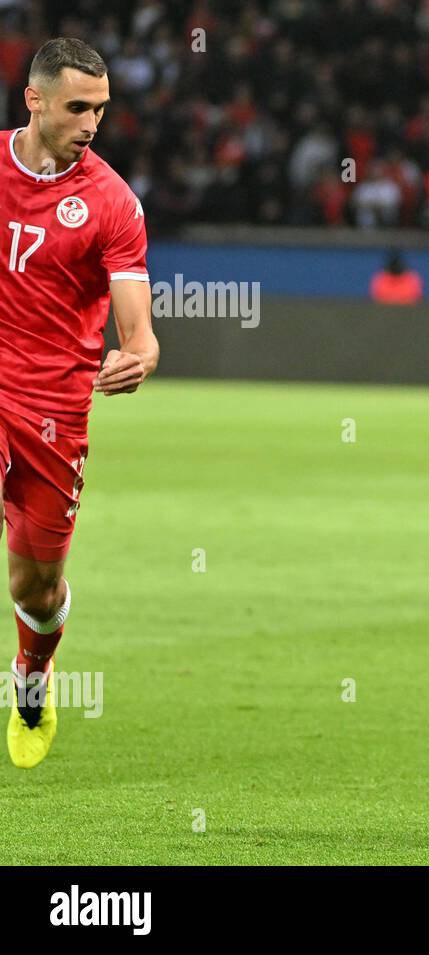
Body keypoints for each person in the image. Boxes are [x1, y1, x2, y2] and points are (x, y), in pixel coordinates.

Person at [0, 38, 158, 767]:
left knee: (36, 583)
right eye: (77, 107)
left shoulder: (112, 202)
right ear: (34, 100)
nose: (92, 121)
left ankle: (34, 664)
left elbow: (136, 326)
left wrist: (141, 354)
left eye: (100, 107)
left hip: (55, 408)